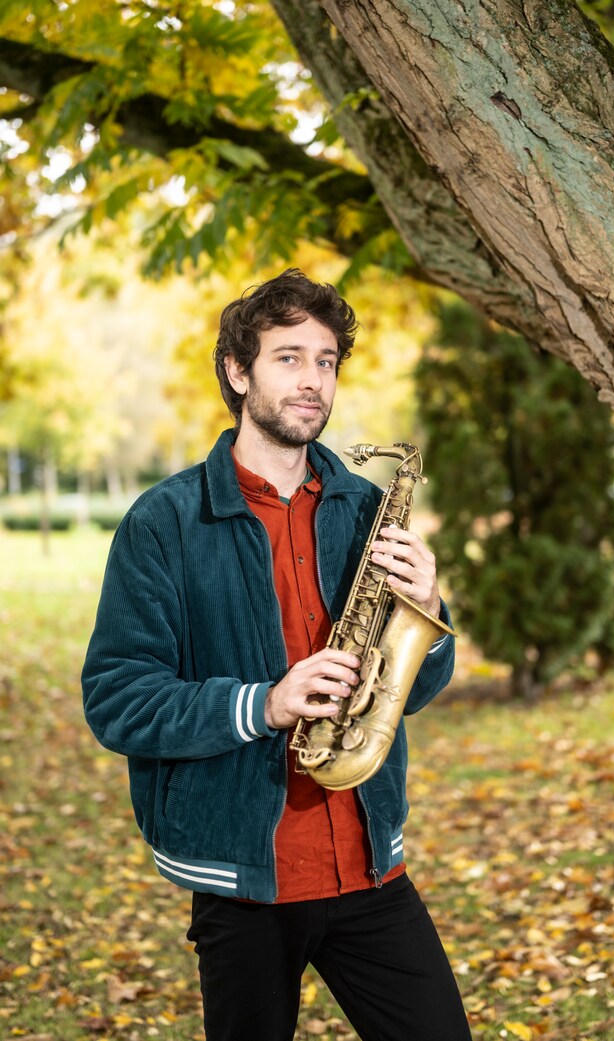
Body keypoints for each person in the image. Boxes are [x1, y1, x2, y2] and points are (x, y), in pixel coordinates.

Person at [82, 269, 472, 1041]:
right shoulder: (163, 522)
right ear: (238, 370)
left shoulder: (364, 505)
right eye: (289, 357)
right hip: (245, 878)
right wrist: (266, 700)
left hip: (369, 862)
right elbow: (118, 698)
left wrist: (429, 606)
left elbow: (416, 680)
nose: (312, 381)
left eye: (326, 361)